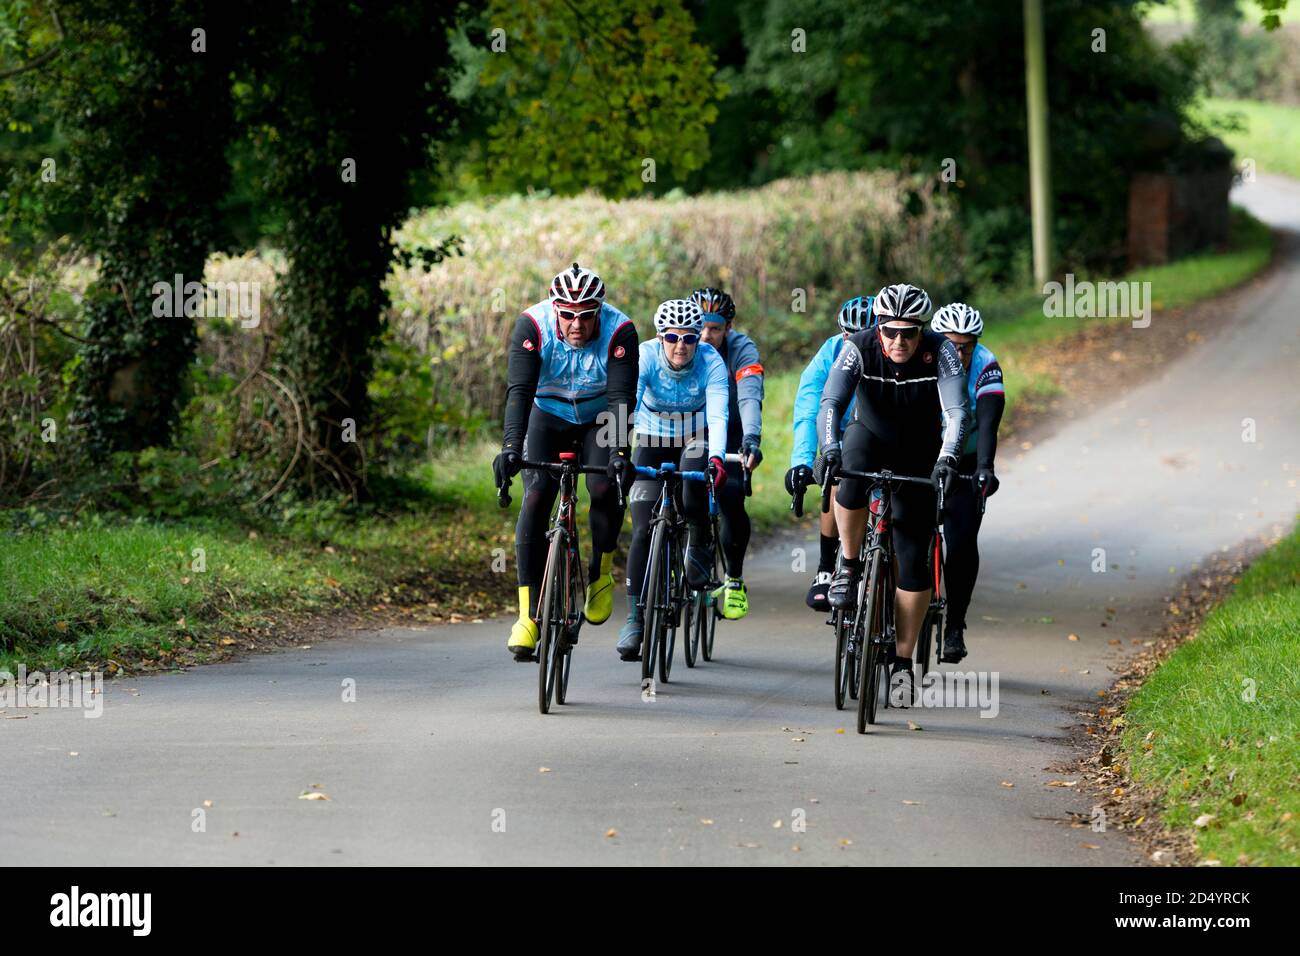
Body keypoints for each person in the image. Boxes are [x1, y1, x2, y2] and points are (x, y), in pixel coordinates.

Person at [815, 283, 968, 706]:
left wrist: (949, 457)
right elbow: (830, 403)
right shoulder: (858, 347)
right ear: (878, 328)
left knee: (914, 560)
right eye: (890, 332)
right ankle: (847, 565)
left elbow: (956, 411)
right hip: (871, 435)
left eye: (909, 332)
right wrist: (828, 449)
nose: (899, 341)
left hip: (919, 452)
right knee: (848, 477)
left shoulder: (942, 352)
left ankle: (902, 662)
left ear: (922, 330)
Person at [493, 263, 639, 660]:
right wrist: (510, 447)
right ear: (555, 309)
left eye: (587, 315)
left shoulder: (620, 331)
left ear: (599, 312)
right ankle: (527, 616)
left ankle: (601, 572)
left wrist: (621, 454)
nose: (577, 324)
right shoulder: (532, 327)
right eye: (569, 314)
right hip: (547, 415)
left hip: (599, 418)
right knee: (538, 494)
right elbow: (519, 392)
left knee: (605, 485)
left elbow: (621, 400)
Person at [617, 298, 730, 660]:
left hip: (695, 438)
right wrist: (620, 453)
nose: (680, 346)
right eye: (671, 337)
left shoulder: (712, 362)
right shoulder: (645, 357)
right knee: (641, 527)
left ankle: (698, 538)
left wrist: (717, 458)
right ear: (659, 338)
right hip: (651, 439)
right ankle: (635, 617)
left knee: (695, 485)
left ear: (699, 339)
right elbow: (628, 405)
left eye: (689, 338)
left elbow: (719, 413)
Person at [786, 295, 873, 611]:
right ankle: (825, 568)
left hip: (878, 434)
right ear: (842, 333)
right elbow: (809, 408)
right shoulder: (830, 352)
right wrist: (801, 462)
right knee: (835, 476)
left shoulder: (892, 350)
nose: (857, 343)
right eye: (851, 336)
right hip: (836, 432)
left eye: (866, 336)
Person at [929, 302, 1005, 663]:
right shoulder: (923, 357)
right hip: (924, 455)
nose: (958, 353)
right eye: (950, 344)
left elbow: (989, 425)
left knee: (960, 544)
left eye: (966, 346)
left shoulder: (986, 366)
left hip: (967, 460)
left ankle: (954, 625)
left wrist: (985, 469)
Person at [691, 287, 763, 620]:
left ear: (728, 328)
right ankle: (693, 545)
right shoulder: (679, 341)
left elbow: (749, 395)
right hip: (689, 429)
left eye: (715, 328)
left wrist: (751, 438)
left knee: (731, 497)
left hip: (732, 429)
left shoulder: (742, 349)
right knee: (680, 490)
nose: (705, 335)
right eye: (701, 326)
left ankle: (733, 578)